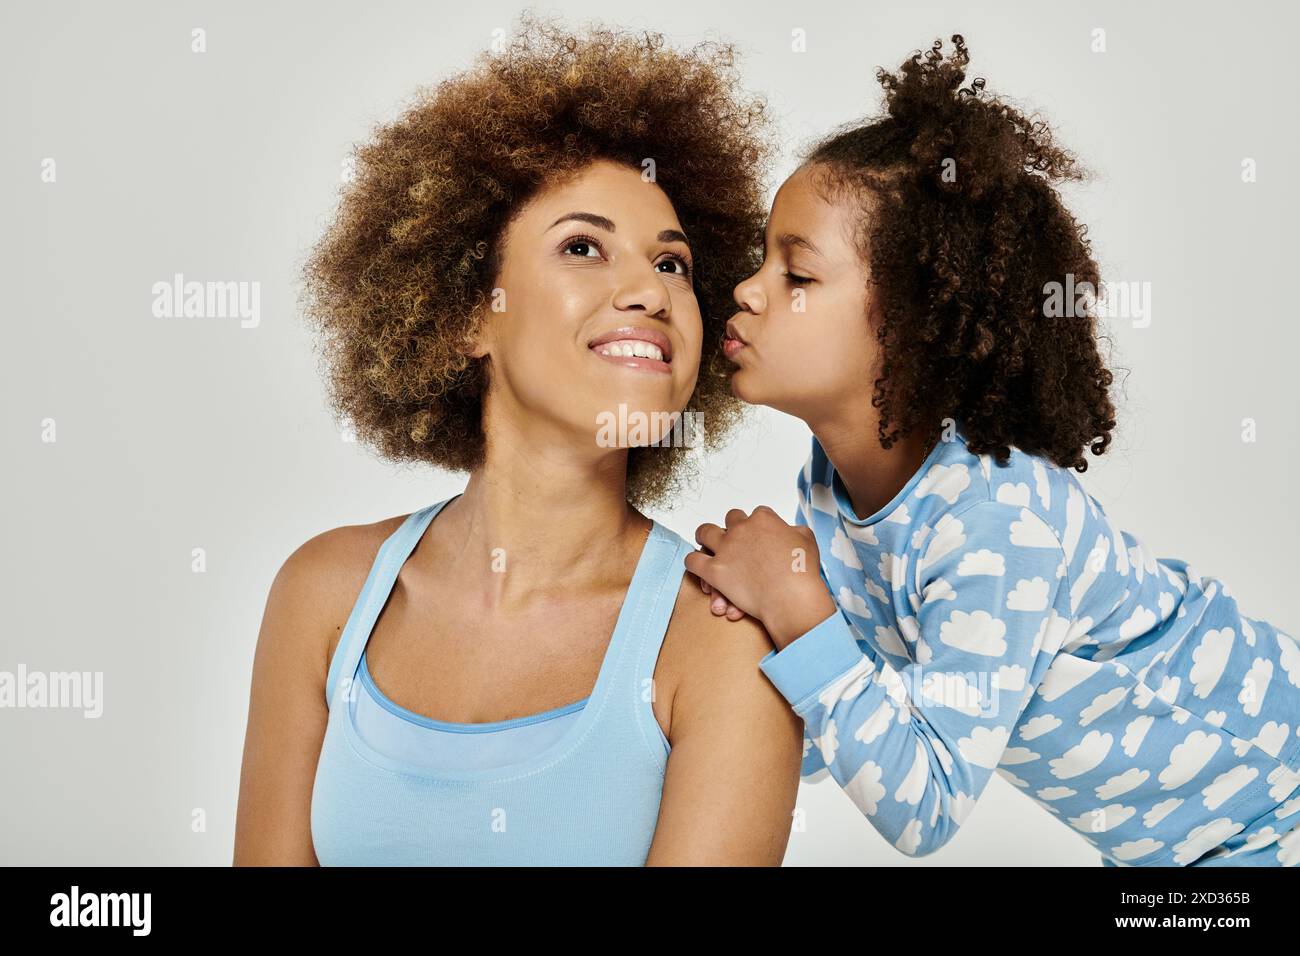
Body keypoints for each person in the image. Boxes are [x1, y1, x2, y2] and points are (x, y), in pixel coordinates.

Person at [689, 34, 1300, 867]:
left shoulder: (994, 518)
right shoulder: (833, 490)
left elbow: (926, 805)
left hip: (1274, 810)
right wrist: (725, 650)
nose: (747, 290)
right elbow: (849, 723)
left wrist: (797, 609)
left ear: (912, 325)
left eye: (797, 276)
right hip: (1180, 852)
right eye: (764, 259)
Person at [233, 14, 802, 866]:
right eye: (583, 247)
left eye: (673, 264)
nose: (648, 290)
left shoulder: (721, 637)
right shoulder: (323, 596)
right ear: (468, 313)